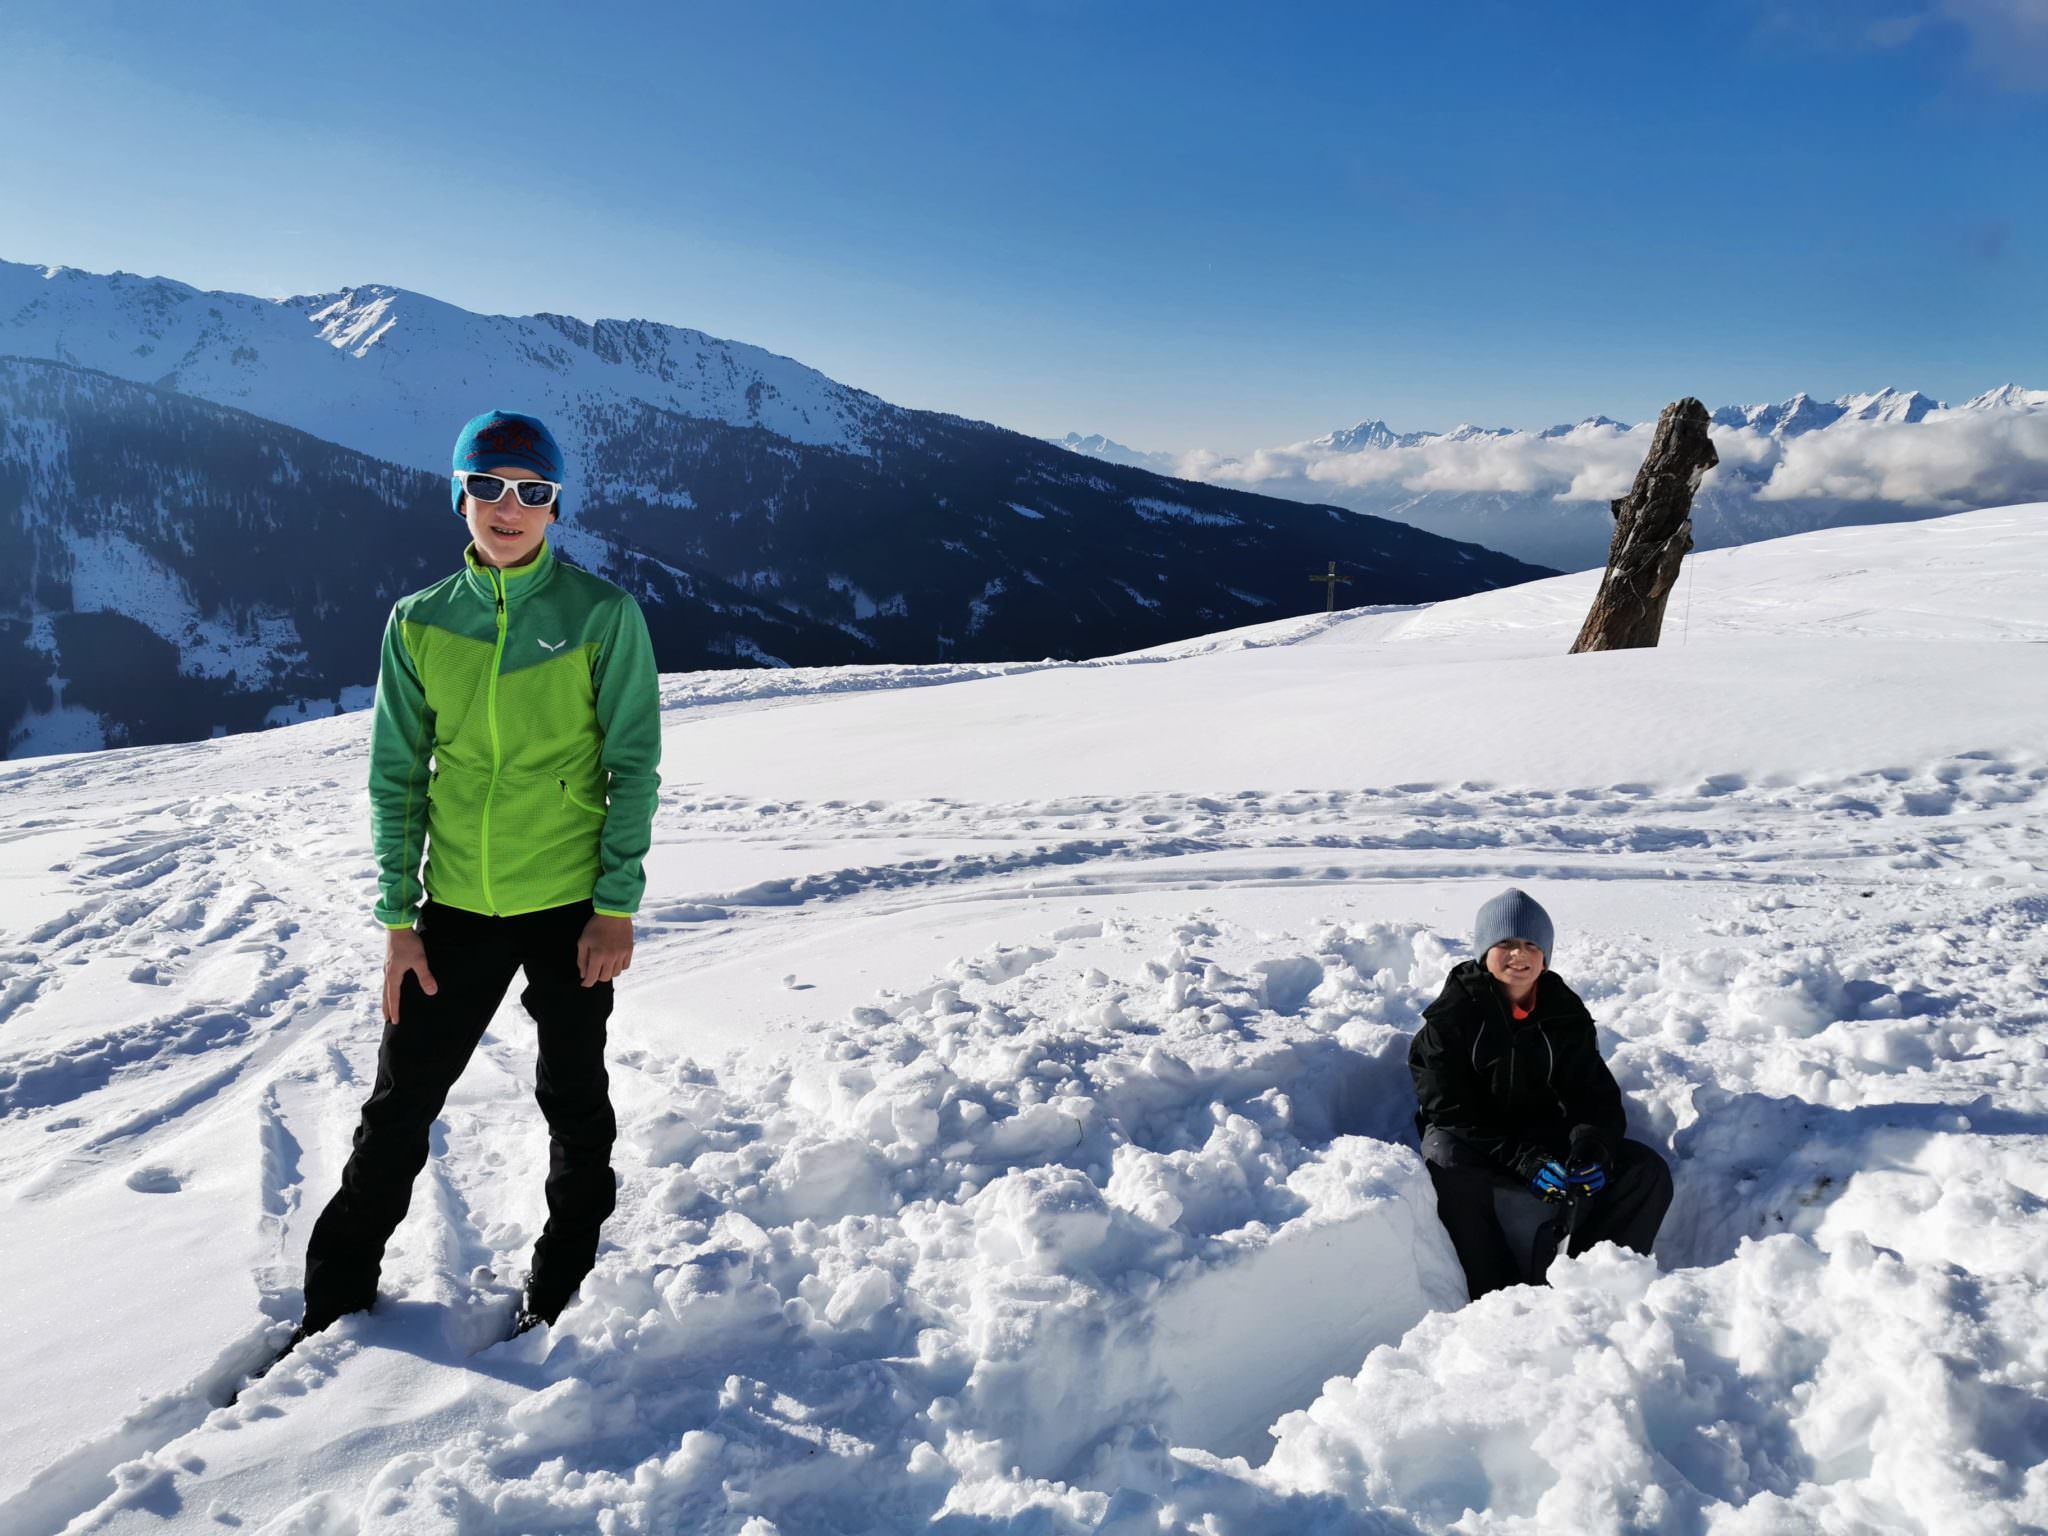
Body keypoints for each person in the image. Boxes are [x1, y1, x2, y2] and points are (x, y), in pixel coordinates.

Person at [296, 409, 662, 1342]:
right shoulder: (419, 621)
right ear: (459, 493)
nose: (509, 507)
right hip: (453, 908)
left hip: (571, 908)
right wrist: (397, 917)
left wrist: (615, 908)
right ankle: (333, 1302)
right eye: (489, 486)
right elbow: (396, 776)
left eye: (531, 491)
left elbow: (634, 766)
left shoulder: (602, 615)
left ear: (556, 506)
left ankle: (563, 1285)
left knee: (574, 1097)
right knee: (399, 1104)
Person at [1408, 888, 1671, 1300]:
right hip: (1475, 1140)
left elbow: (1595, 1096)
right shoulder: (1449, 1019)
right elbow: (1448, 1112)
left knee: (1646, 1170)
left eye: (1531, 943)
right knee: (1445, 1159)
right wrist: (1522, 1160)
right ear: (1484, 951)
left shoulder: (1563, 1012)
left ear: (1546, 954)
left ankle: (1592, 1287)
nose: (1519, 954)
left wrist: (1592, 1148)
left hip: (1543, 1137)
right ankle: (1495, 1294)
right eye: (1506, 943)